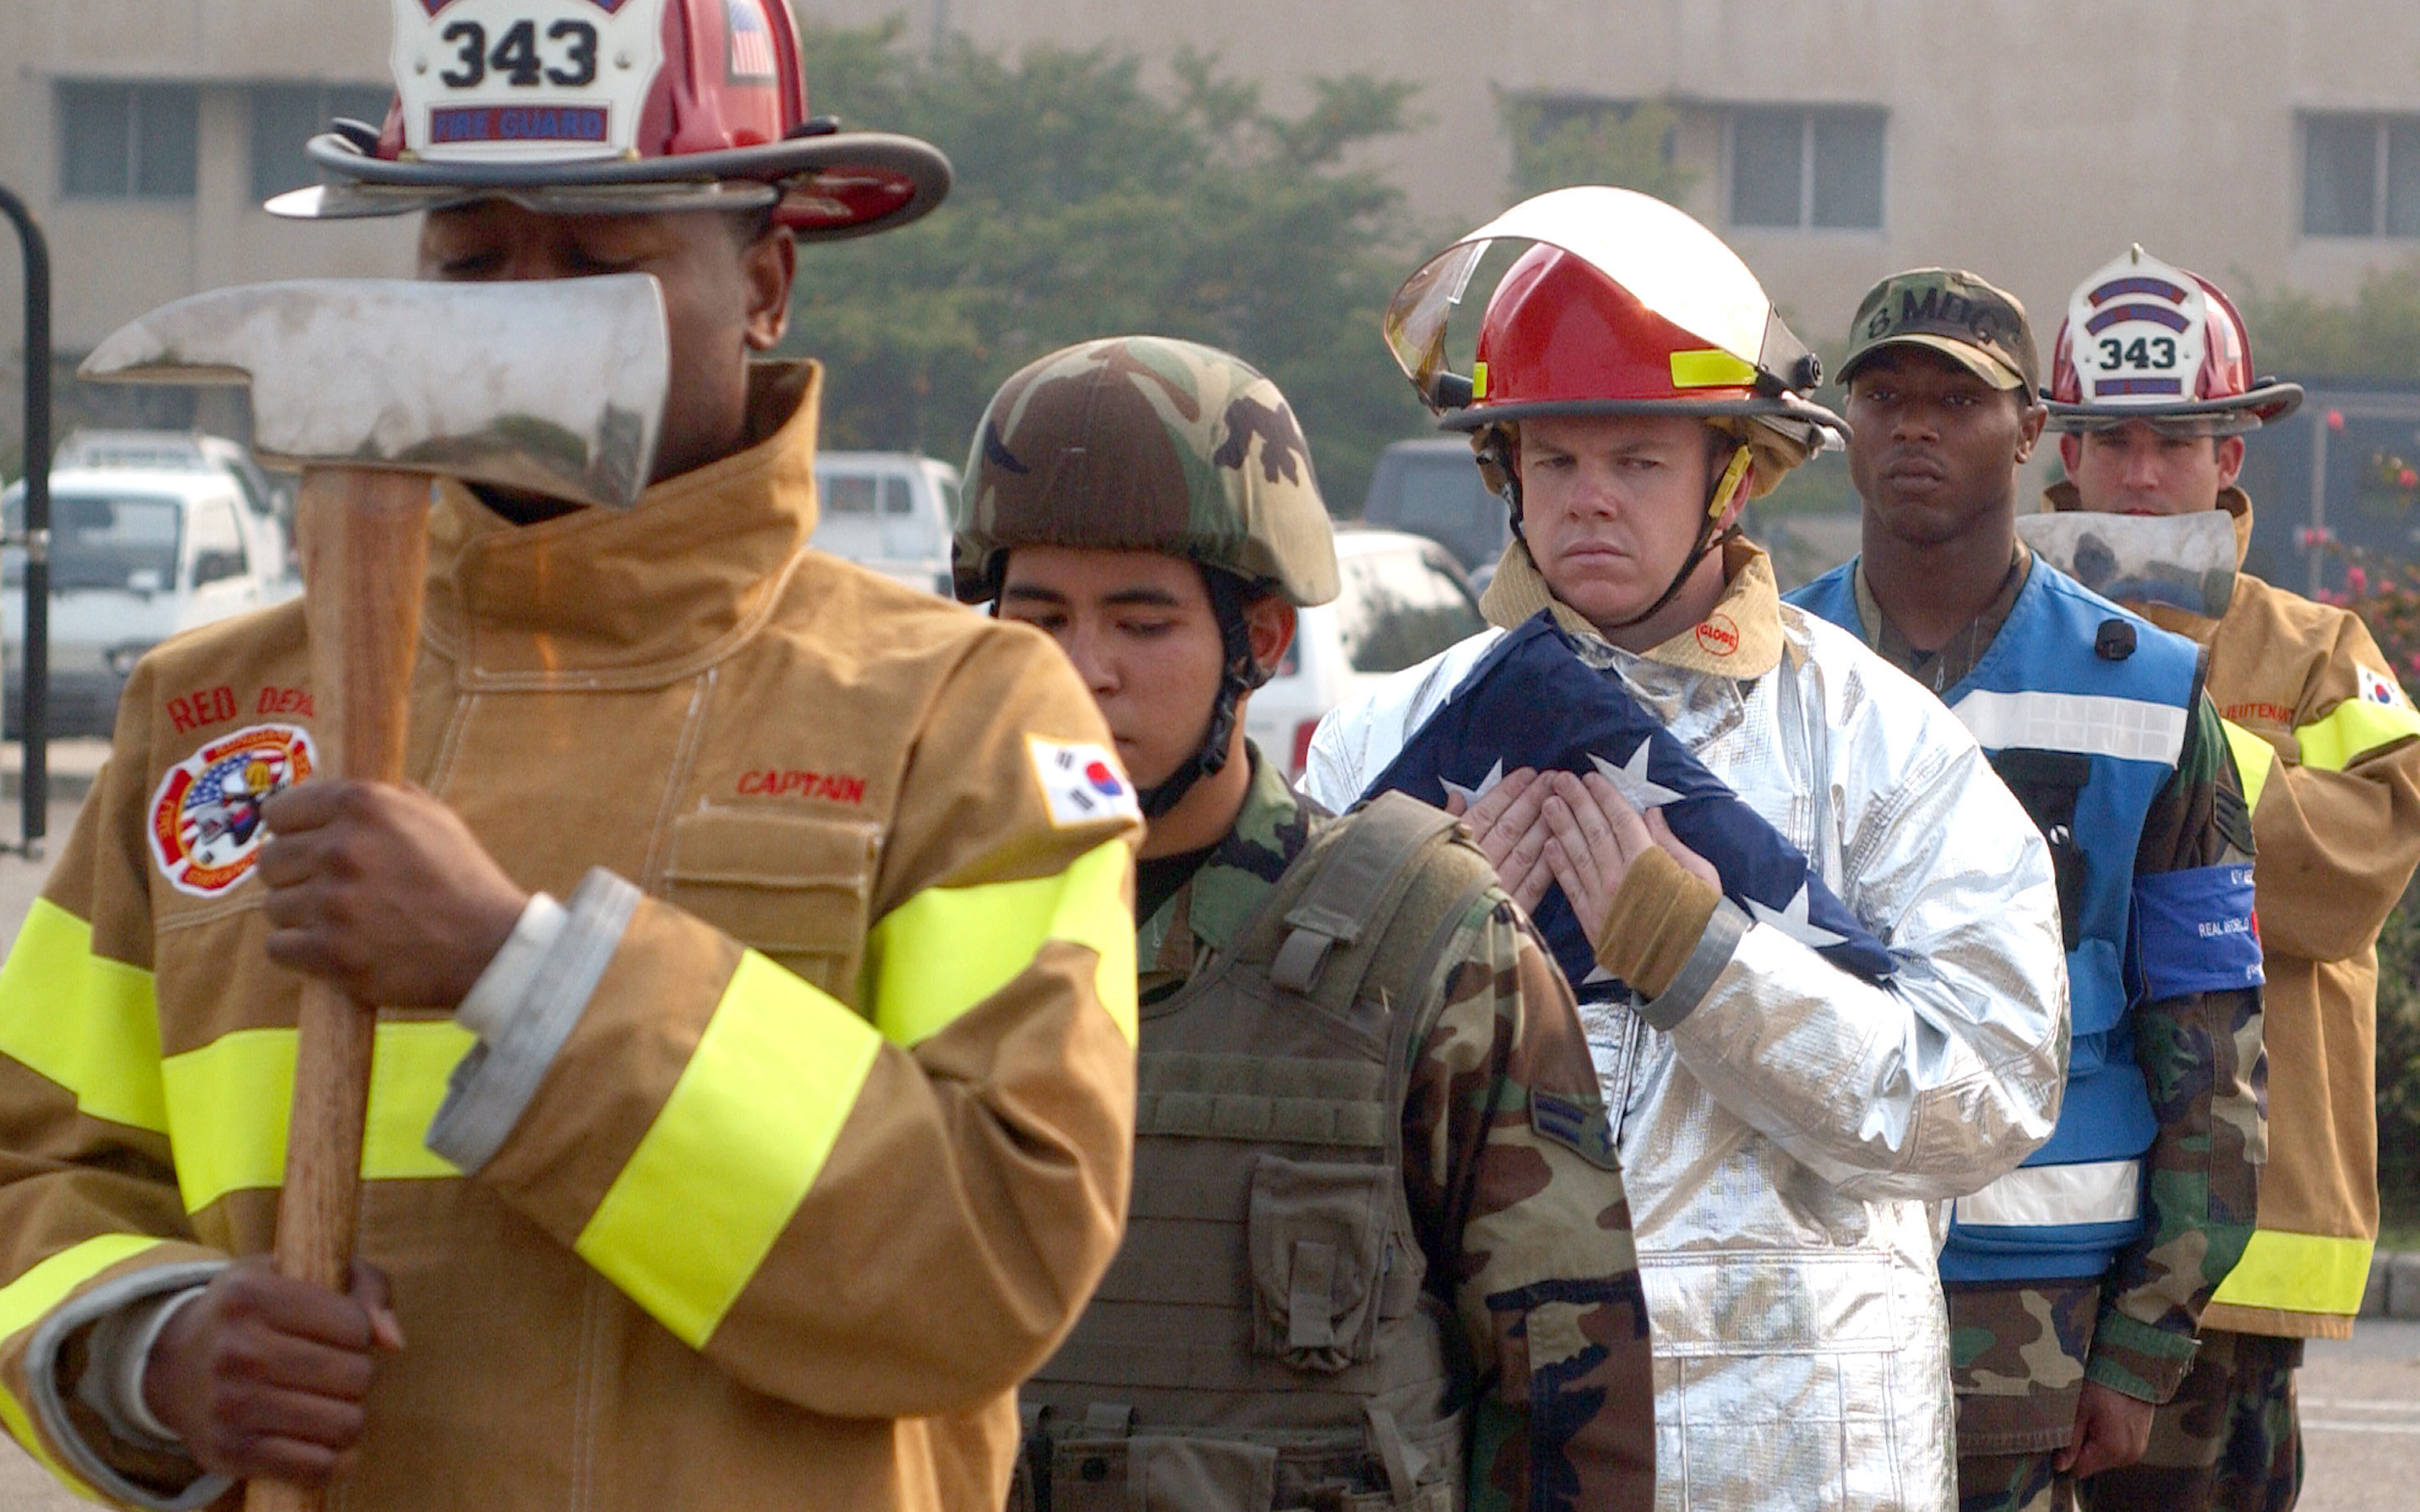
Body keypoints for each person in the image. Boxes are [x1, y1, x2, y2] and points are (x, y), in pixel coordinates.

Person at [0, 0, 1137, 1509]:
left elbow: (990, 1263)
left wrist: (521, 972)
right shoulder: (207, 716)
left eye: (601, 256)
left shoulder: (968, 719)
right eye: (473, 261)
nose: (522, 314)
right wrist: (154, 1351)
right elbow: (21, 1179)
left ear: (766, 282)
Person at [1300, 187, 2069, 1512]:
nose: (1590, 502)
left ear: (1735, 475)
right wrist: (1427, 947)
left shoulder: (1885, 744)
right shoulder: (1384, 740)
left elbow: (1990, 1094)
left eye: (1639, 462)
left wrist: (1707, 962)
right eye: (1555, 461)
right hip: (1481, 1438)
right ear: (1505, 474)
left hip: (1806, 1461)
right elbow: (1290, 1097)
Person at [951, 335, 1655, 1512]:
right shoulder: (920, 918)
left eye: (1142, 624)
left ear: (1260, 643)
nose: (1085, 673)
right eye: (1040, 621)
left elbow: (1574, 1406)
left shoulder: (1428, 945)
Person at [1785, 268, 2267, 1512]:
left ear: (2029, 431)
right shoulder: (1767, 667)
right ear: (1844, 423)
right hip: (1802, 1274)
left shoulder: (2147, 692)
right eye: (1884, 395)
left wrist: (2150, 1339)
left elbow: (2211, 1042)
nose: (1915, 426)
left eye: (1958, 398)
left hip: (2035, 1306)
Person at [2029, 248, 2420, 1512]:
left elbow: (2356, 869)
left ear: (2234, 454)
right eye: (2114, 439)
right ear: (2062, 450)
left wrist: (2170, 740)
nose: (2145, 476)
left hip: (2237, 1245)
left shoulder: (2317, 653)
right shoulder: (1993, 635)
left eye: (2180, 441)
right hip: (2025, 1222)